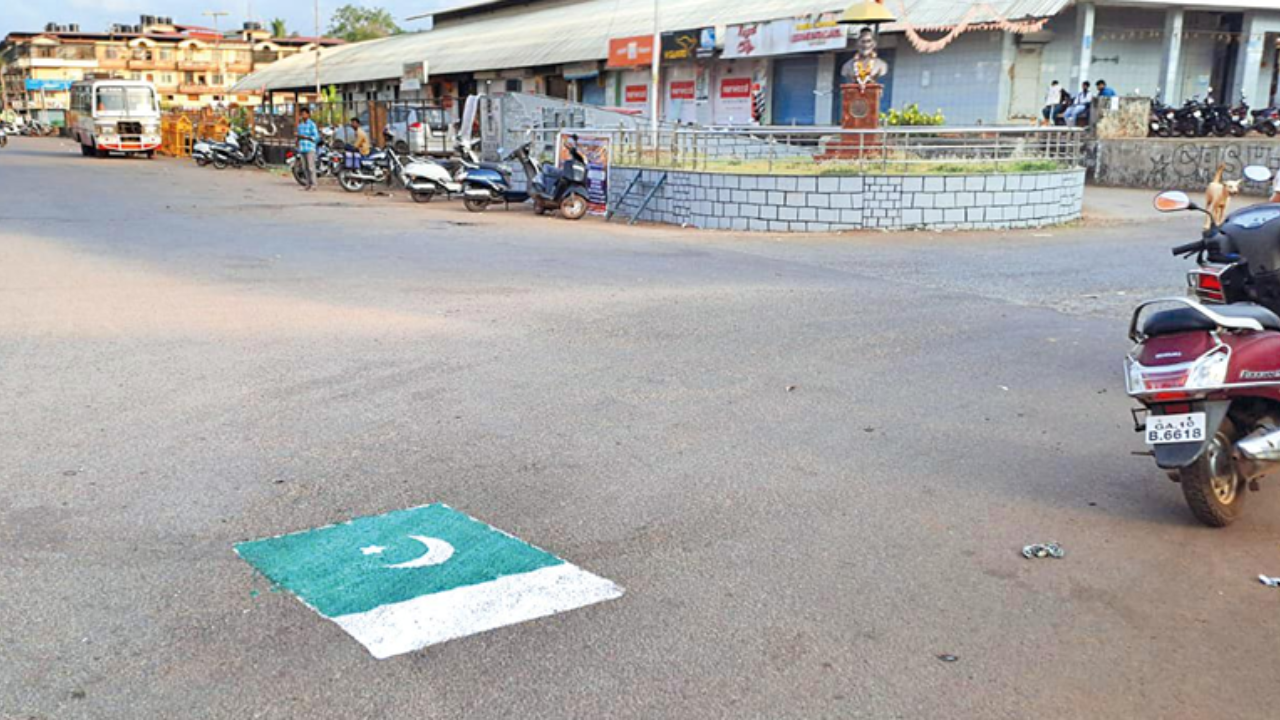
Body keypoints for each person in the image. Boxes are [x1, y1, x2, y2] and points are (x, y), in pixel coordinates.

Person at [296, 107, 319, 191]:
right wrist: (298, 141)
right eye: (302, 114)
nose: (303, 115)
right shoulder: (300, 125)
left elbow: (316, 137)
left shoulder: (312, 124)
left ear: (308, 115)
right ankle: (307, 184)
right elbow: (298, 136)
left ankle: (314, 184)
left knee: (311, 167)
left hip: (310, 147)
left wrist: (306, 137)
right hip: (302, 148)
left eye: (305, 113)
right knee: (305, 168)